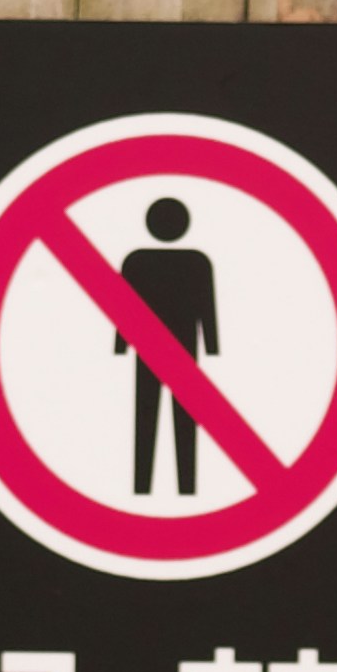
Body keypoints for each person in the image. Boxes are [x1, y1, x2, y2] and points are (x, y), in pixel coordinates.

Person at [116, 194, 219, 495]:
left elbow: (123, 307)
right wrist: (211, 345)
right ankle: (173, 488)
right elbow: (206, 307)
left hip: (153, 349)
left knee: (149, 415)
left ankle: (147, 487)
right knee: (168, 417)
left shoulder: (137, 260)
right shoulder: (196, 262)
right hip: (178, 348)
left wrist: (121, 344)